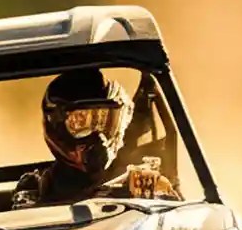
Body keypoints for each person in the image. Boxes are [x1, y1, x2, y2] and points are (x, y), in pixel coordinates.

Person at [11, 68, 181, 209]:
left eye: (105, 121)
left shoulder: (143, 184)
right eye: (82, 123)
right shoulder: (37, 192)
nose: (99, 136)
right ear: (57, 127)